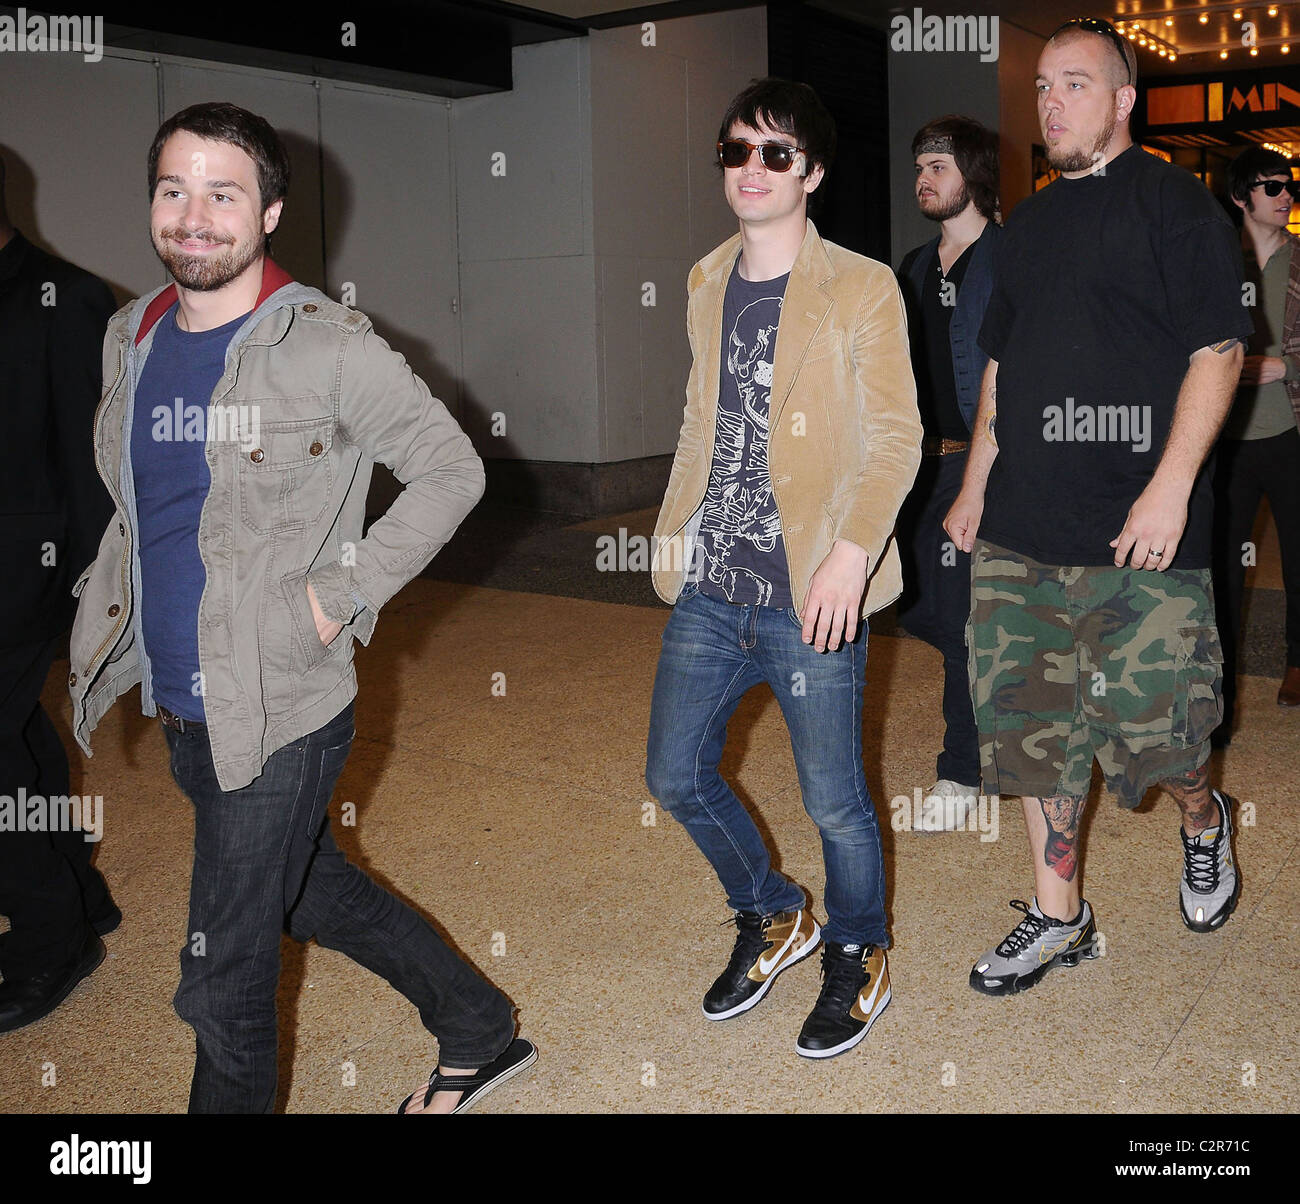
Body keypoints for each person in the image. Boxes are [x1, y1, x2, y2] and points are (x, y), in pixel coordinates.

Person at [68, 102, 534, 1112]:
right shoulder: (131, 335)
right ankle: (479, 1024)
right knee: (308, 885)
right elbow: (149, 510)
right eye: (174, 189)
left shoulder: (328, 347)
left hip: (282, 701)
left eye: (223, 194)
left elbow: (453, 470)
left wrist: (340, 594)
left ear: (270, 211)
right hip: (190, 700)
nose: (195, 215)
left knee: (222, 973)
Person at [943, 19, 1252, 996]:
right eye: (1041, 87)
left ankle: (1207, 822)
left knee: (1163, 739)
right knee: (1035, 739)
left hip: (1139, 532)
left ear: (1123, 100)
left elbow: (1220, 350)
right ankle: (1055, 916)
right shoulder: (1024, 230)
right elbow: (1002, 362)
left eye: (1075, 85)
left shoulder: (1176, 206)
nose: (1050, 104)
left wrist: (1170, 486)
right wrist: (976, 481)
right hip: (1022, 528)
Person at [646, 78, 921, 1058]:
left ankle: (859, 947)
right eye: (735, 152)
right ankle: (771, 910)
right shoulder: (703, 280)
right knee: (675, 774)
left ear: (808, 170)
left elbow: (896, 437)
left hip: (812, 586)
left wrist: (853, 554)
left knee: (835, 798)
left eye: (772, 154)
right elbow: (699, 419)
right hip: (716, 580)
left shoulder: (861, 286)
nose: (750, 170)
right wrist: (673, 539)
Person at [0, 151, 121, 1033]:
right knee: (20, 739)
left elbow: (94, 472)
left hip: (31, 576)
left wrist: (97, 596)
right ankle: (81, 896)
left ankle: (52, 940)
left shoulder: (64, 297)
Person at [895, 115, 1001, 831]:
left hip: (988, 463)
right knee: (919, 607)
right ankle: (1002, 696)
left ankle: (963, 771)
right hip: (918, 465)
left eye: (939, 165)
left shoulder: (1012, 257)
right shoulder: (910, 267)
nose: (924, 179)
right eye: (920, 167)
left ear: (974, 174)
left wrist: (979, 483)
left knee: (959, 616)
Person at [1214, 146, 1300, 729]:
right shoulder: (1219, 262)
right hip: (1228, 436)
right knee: (1221, 560)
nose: (1286, 195)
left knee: (1299, 554)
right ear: (1242, 197)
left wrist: (1287, 367)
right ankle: (1216, 676)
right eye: (1273, 187)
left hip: (1292, 430)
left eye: (1290, 185)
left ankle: (1299, 661)